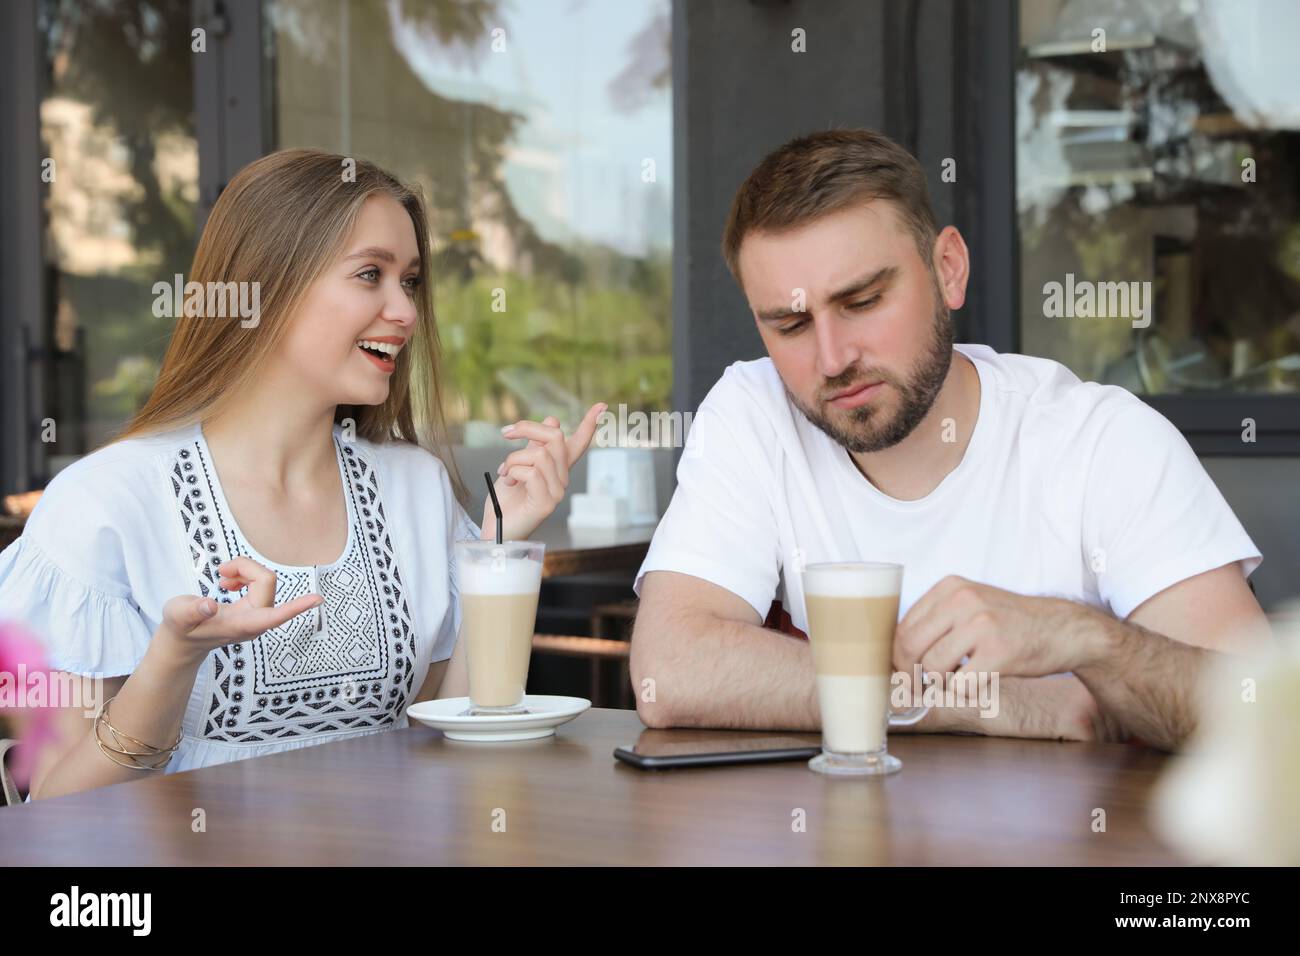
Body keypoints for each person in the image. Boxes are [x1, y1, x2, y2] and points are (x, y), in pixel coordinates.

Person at [630, 128, 1272, 751]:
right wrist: (983, 703)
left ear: (948, 269)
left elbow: (1265, 715)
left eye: (862, 301)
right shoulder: (754, 412)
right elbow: (670, 671)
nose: (832, 359)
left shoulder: (1103, 440)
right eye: (791, 324)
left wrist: (1086, 638)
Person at [0, 149, 603, 798]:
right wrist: (172, 661)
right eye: (370, 274)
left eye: (409, 281)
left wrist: (500, 545)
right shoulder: (103, 504)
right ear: (266, 288)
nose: (405, 311)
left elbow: (447, 739)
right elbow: (53, 805)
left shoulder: (417, 489)